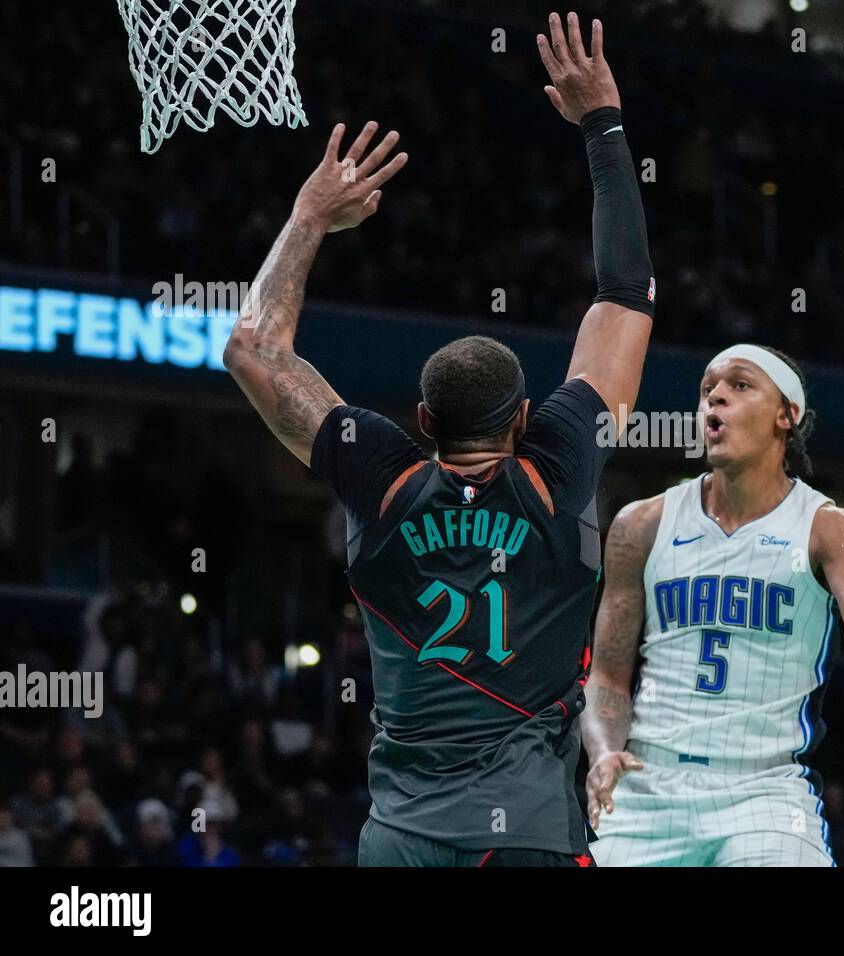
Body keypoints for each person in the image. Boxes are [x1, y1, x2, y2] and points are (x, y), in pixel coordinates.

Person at [224, 12, 653, 867]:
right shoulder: (557, 469)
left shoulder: (379, 477)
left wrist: (309, 215)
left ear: (421, 425)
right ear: (525, 422)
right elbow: (625, 295)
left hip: (402, 840)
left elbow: (253, 348)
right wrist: (603, 126)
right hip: (527, 835)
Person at [582, 345, 844, 866]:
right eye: (707, 389)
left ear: (787, 415)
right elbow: (607, 677)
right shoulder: (640, 525)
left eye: (740, 385)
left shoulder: (831, 528)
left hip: (764, 791)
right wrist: (604, 750)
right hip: (646, 783)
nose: (715, 395)